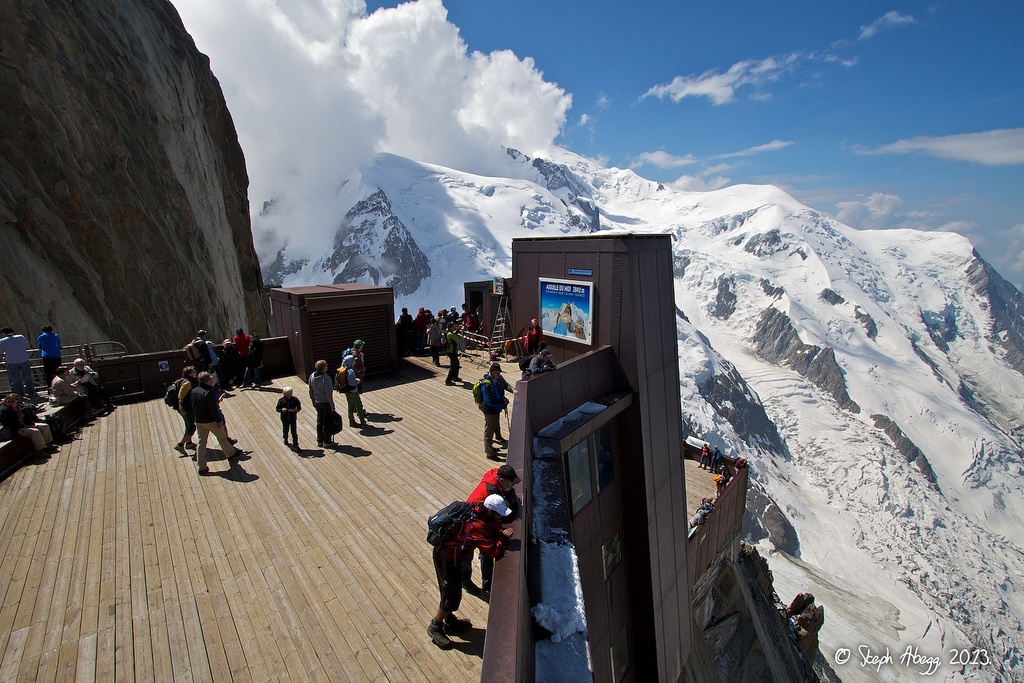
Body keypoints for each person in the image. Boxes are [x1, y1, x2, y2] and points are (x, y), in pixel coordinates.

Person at [428, 494, 513, 649]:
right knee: (451, 596)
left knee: (451, 591)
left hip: (451, 555)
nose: (499, 518)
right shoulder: (475, 527)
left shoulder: (478, 507)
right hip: (447, 559)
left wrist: (499, 531)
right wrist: (504, 538)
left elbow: (493, 526)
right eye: (498, 514)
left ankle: (449, 619)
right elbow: (492, 551)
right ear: (489, 511)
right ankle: (436, 626)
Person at [462, 465, 521, 594]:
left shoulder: (498, 483)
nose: (513, 486)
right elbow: (492, 551)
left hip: (481, 521)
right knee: (466, 555)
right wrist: (503, 537)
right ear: (502, 481)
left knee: (484, 553)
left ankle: (487, 584)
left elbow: (512, 498)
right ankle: (466, 582)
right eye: (511, 483)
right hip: (467, 529)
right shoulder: (492, 491)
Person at [189, 371, 246, 475]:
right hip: (211, 421)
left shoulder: (194, 391)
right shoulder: (209, 392)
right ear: (208, 381)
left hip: (199, 420)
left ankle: (201, 467)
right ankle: (230, 453)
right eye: (211, 379)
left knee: (201, 443)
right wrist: (218, 420)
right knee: (222, 438)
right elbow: (213, 409)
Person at [479, 363, 518, 460]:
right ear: (491, 372)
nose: (498, 375)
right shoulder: (486, 384)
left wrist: (513, 390)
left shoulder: (499, 378)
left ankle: (497, 439)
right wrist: (502, 401)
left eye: (499, 373)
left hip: (496, 408)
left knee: (496, 424)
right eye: (497, 373)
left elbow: (506, 385)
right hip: (490, 410)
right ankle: (490, 453)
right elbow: (489, 401)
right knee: (489, 431)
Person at [0, 327, 36, 399]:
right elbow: (26, 345)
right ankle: (31, 393)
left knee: (15, 379)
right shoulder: (21, 337)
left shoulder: (2, 341)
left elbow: (1, 352)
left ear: (4, 333)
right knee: (27, 377)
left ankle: (19, 395)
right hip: (24, 359)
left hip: (11, 361)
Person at [308, 360, 336, 448]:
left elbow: (311, 391)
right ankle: (327, 441)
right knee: (327, 422)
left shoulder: (312, 376)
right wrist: (332, 405)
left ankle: (320, 440)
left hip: (317, 402)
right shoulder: (326, 379)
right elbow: (328, 394)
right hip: (325, 403)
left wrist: (313, 401)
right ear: (324, 368)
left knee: (320, 421)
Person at [173, 367, 198, 453]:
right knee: (191, 427)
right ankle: (180, 445)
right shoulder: (187, 383)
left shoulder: (180, 380)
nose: (196, 372)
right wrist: (181, 408)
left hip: (185, 407)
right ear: (190, 374)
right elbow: (181, 397)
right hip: (186, 408)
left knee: (188, 424)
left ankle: (189, 443)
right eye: (194, 371)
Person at [338, 354, 366, 428]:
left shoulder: (343, 369)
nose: (354, 361)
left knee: (350, 406)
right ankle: (362, 420)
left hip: (347, 390)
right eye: (353, 360)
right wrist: (357, 381)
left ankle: (351, 421)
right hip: (353, 391)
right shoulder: (350, 371)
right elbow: (352, 382)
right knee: (359, 405)